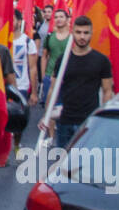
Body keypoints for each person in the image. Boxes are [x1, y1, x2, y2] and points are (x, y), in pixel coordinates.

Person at [39, 15, 113, 148]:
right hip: (64, 120)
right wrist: (47, 115)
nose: (82, 37)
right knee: (63, 164)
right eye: (78, 32)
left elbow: (108, 91)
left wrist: (104, 120)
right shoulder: (63, 59)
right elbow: (53, 89)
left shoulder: (101, 61)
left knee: (85, 164)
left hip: (88, 121)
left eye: (86, 33)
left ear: (91, 34)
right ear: (72, 32)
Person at [39, 9, 70, 103]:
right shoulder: (49, 37)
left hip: (67, 78)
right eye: (56, 17)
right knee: (49, 107)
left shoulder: (72, 38)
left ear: (67, 19)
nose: (58, 19)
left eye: (61, 17)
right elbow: (44, 56)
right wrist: (44, 76)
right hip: (50, 76)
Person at [11, 9, 39, 104]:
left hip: (21, 87)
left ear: (19, 22)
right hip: (5, 87)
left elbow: (33, 68)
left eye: (12, 19)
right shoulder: (1, 42)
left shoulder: (28, 42)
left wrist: (34, 93)